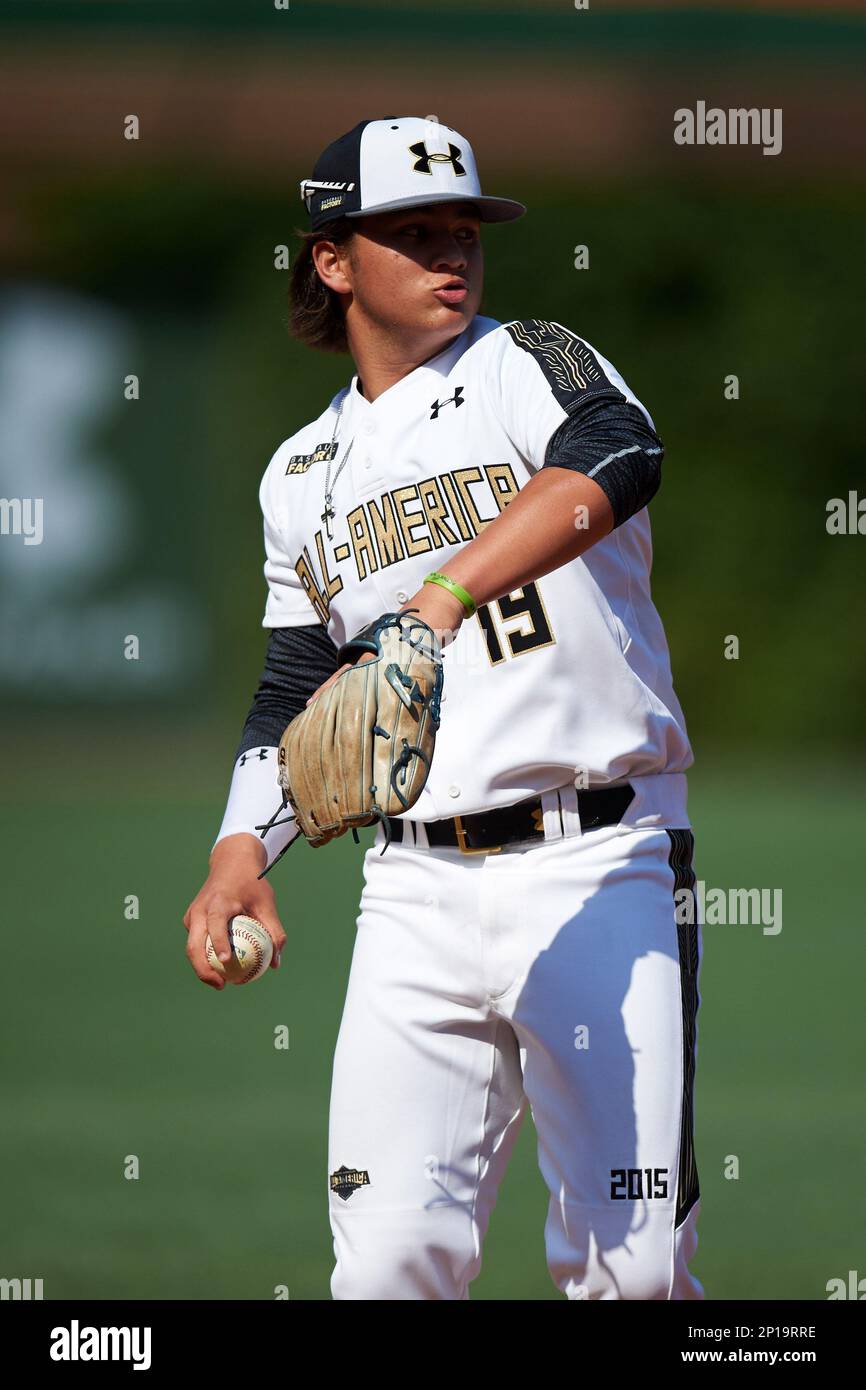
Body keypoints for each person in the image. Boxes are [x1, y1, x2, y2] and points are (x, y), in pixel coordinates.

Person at [183, 115, 704, 1301]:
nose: (449, 253)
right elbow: (291, 687)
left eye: (462, 229)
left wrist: (439, 594)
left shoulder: (525, 358)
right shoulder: (298, 474)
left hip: (600, 860)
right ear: (331, 259)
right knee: (386, 1267)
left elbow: (621, 453)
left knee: (627, 1270)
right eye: (411, 233)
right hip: (411, 888)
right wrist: (236, 851)